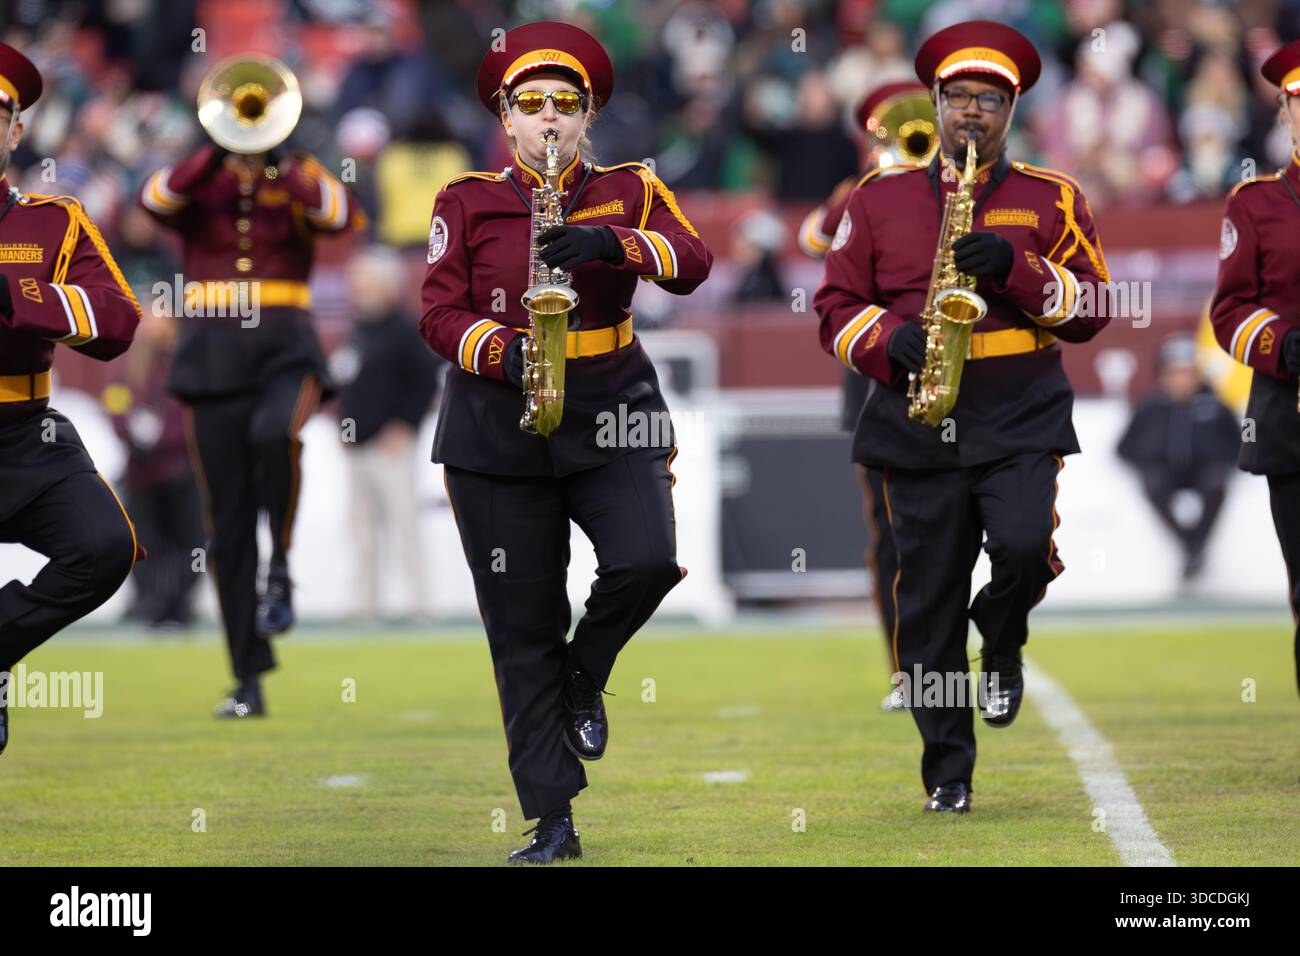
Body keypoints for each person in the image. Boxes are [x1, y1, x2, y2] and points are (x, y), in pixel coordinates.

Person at [421, 21, 712, 863]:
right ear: (505, 120)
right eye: (532, 105)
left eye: (566, 105)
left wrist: (610, 242)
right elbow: (438, 312)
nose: (550, 119)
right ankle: (553, 822)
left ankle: (585, 670)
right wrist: (501, 349)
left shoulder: (631, 186)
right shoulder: (466, 197)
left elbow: (693, 260)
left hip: (611, 403)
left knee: (648, 559)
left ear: (587, 117)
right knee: (520, 627)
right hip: (495, 427)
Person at [814, 21, 1111, 813]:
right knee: (928, 603)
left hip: (1018, 411)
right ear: (936, 104)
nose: (972, 113)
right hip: (916, 417)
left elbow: (1095, 307)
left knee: (1020, 546)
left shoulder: (1053, 196)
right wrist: (888, 338)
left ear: (1012, 108)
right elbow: (834, 305)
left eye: (989, 99)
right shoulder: (879, 199)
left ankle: (1004, 640)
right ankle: (948, 771)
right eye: (959, 98)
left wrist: (1018, 267)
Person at [140, 62, 364, 718]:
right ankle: (247, 676)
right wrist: (214, 147)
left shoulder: (298, 175)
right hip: (210, 354)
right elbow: (152, 202)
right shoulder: (198, 178)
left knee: (276, 433)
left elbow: (339, 213)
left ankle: (284, 563)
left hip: (285, 349)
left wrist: (280, 155)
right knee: (226, 523)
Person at [0, 42, 143, 753]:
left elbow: (119, 323)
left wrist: (24, 295)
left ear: (16, 131)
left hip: (26, 431)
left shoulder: (55, 220)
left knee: (105, 546)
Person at [799, 79, 938, 713]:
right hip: (876, 376)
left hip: (961, 370)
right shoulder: (862, 194)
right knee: (890, 530)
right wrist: (868, 186)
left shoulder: (958, 189)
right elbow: (813, 239)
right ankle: (906, 670)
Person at [1210, 39, 1300, 697]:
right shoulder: (1255, 202)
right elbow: (1230, 310)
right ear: (1286, 116)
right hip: (1290, 420)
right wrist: (1282, 346)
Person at [335, 246, 442, 624]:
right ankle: (365, 606)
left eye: (365, 284)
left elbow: (426, 381)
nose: (358, 291)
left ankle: (420, 604)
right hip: (358, 447)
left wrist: (405, 424)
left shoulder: (404, 330)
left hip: (390, 447)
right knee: (361, 530)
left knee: (403, 524)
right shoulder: (359, 329)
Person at [1117, 335, 1239, 583]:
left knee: (1216, 483)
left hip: (1205, 471)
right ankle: (1191, 546)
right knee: (1153, 484)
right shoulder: (1147, 407)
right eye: (1175, 373)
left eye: (1187, 373)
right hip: (1165, 473)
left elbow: (1242, 438)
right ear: (1162, 375)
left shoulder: (1217, 405)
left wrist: (1222, 459)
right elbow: (1123, 447)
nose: (1181, 380)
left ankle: (1195, 545)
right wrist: (1147, 459)